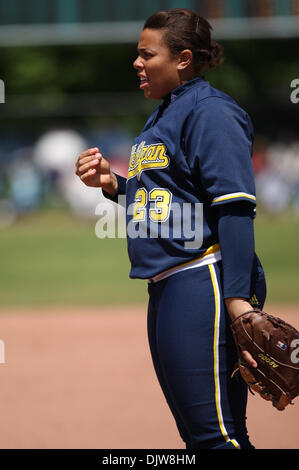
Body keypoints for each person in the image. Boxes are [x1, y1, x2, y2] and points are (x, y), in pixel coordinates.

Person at [75, 8, 266, 449]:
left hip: (205, 280)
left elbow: (235, 209)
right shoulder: (165, 114)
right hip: (171, 287)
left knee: (215, 438)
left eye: (147, 54)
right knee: (205, 437)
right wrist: (113, 185)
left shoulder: (211, 111)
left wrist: (237, 302)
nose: (137, 63)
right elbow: (165, 203)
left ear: (182, 59)